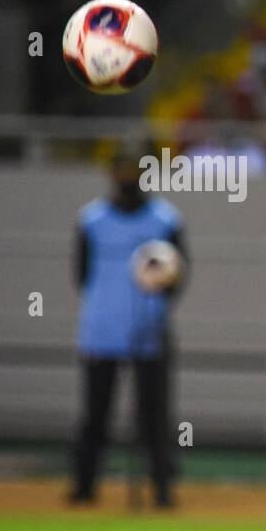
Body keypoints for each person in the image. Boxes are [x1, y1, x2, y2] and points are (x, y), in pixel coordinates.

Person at [70, 148, 186, 509]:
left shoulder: (165, 220)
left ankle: (161, 489)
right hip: (101, 330)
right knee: (95, 414)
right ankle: (85, 486)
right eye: (123, 170)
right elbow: (82, 274)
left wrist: (159, 293)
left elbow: (178, 275)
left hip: (149, 331)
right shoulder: (91, 219)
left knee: (154, 416)